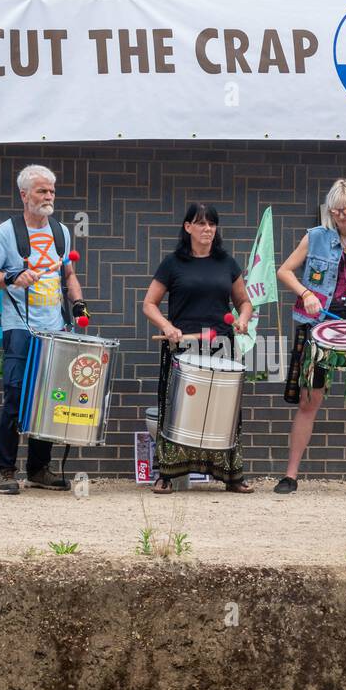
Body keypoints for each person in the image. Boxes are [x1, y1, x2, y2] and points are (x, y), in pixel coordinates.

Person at [274, 179, 346, 494]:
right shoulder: (316, 238)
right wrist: (305, 292)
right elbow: (284, 270)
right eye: (336, 210)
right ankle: (291, 475)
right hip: (321, 324)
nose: (341, 216)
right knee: (310, 400)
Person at [0, 164, 87, 494]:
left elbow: (67, 274)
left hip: (54, 327)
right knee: (14, 395)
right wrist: (11, 277)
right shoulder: (6, 232)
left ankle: (40, 468)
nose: (49, 196)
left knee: (49, 397)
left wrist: (79, 303)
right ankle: (4, 471)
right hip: (20, 327)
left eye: (52, 190)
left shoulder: (61, 231)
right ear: (24, 195)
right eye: (42, 191)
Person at [142, 203, 253, 494]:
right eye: (201, 224)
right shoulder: (172, 263)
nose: (207, 229)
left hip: (221, 343)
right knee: (177, 408)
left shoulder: (227, 263)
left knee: (224, 411)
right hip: (183, 344)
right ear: (187, 227)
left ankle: (231, 475)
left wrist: (242, 319)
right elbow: (149, 304)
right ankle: (166, 474)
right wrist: (167, 326)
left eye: (212, 224)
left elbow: (244, 302)